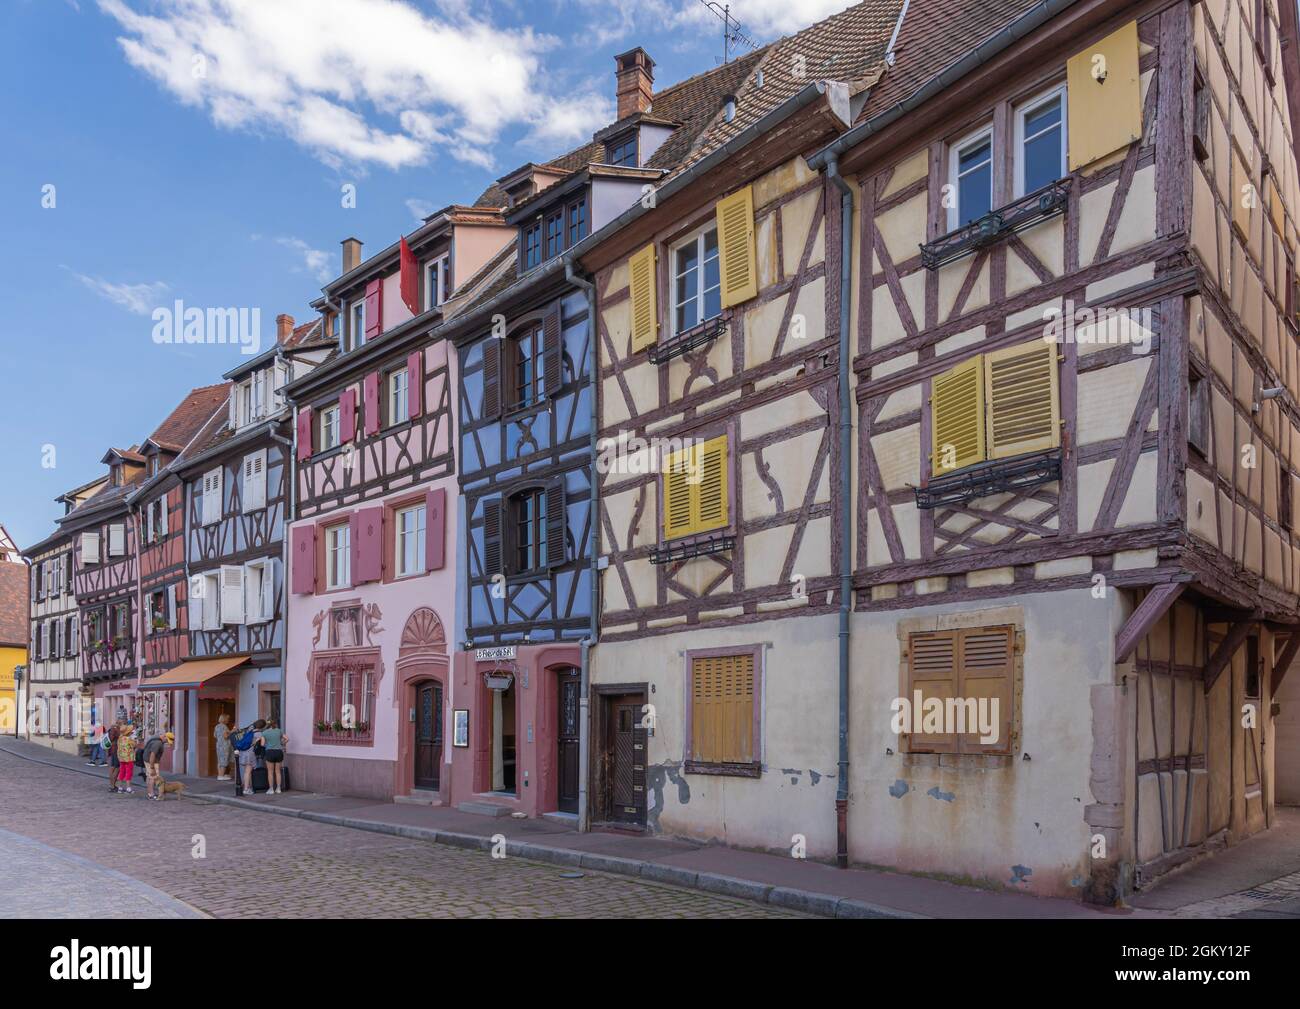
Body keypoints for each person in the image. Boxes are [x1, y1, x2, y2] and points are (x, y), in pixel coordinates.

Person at [258, 719, 288, 794]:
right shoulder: (279, 731)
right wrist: (282, 744)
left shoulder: (264, 733)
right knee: (278, 771)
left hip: (270, 752)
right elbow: (287, 739)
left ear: (267, 725)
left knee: (270, 772)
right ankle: (278, 788)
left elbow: (262, 744)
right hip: (279, 752)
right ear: (275, 724)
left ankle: (271, 789)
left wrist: (268, 744)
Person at [141, 731, 173, 801]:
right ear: (164, 737)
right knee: (153, 777)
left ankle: (149, 793)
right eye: (167, 740)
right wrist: (152, 767)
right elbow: (152, 755)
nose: (166, 742)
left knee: (149, 777)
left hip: (148, 760)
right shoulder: (158, 743)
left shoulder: (156, 740)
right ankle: (151, 794)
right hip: (151, 762)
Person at [115, 724, 137, 793]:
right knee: (128, 772)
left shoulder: (120, 738)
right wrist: (135, 740)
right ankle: (128, 788)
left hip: (121, 758)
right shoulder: (129, 739)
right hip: (128, 758)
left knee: (122, 771)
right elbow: (134, 745)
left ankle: (120, 787)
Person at [214, 712, 233, 781]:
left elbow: (215, 736)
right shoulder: (224, 726)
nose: (228, 720)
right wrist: (232, 731)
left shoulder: (217, 726)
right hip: (224, 745)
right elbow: (225, 736)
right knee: (224, 760)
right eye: (227, 719)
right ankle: (221, 776)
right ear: (224, 719)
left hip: (218, 745)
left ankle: (219, 775)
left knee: (219, 760)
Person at [106, 722, 122, 792]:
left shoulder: (111, 730)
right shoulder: (115, 730)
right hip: (116, 750)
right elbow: (114, 738)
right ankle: (112, 786)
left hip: (112, 750)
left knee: (112, 767)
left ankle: (111, 785)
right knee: (117, 768)